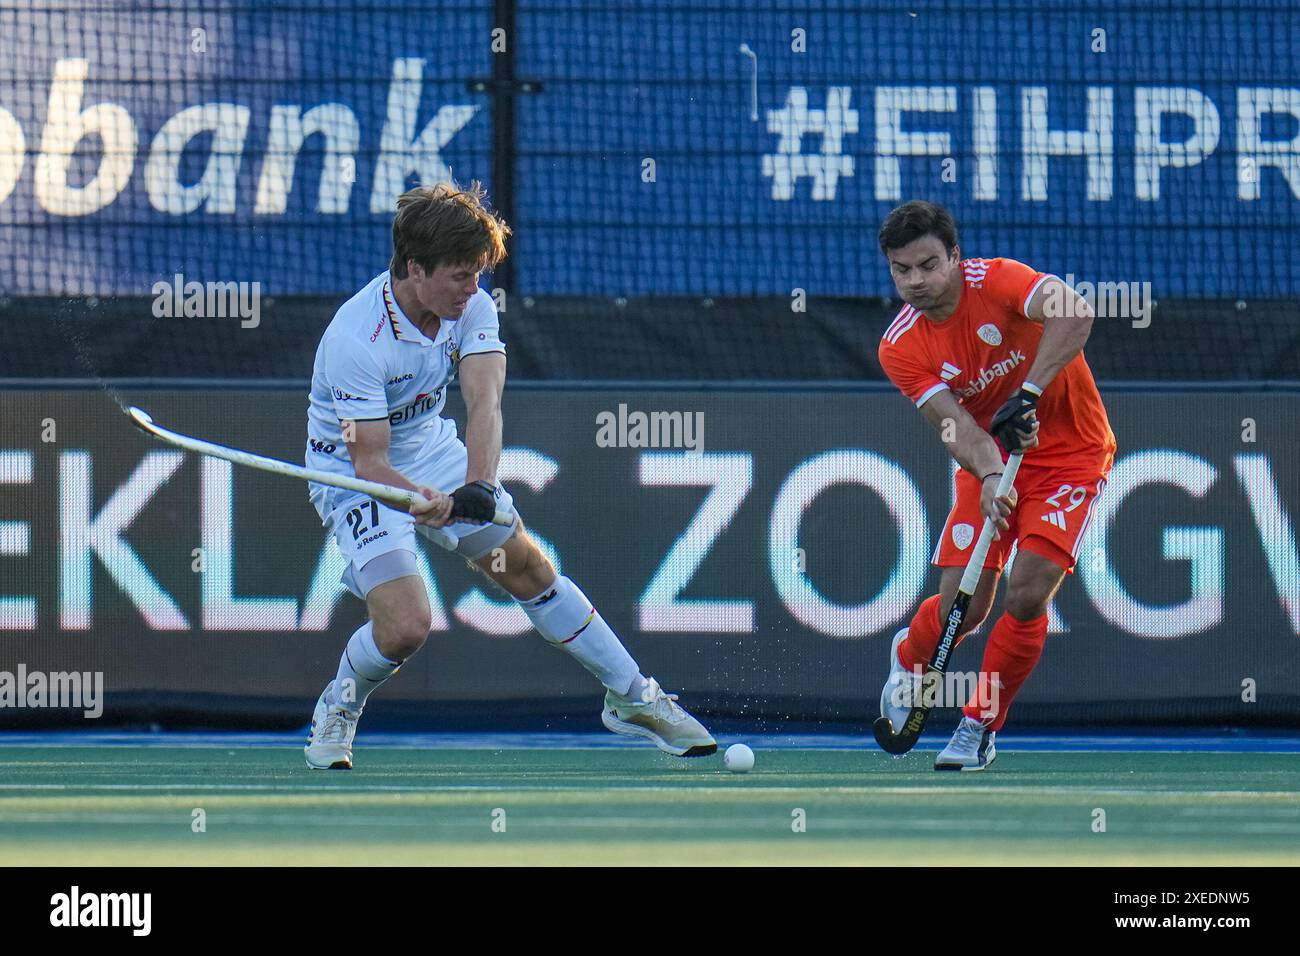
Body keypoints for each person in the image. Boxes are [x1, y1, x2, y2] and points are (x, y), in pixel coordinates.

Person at [302, 181, 715, 769]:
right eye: (460, 275)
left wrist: (478, 487)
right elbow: (370, 460)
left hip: (431, 448)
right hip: (354, 472)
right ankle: (339, 706)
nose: (473, 289)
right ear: (414, 269)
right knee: (405, 625)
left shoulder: (468, 306)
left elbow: (484, 401)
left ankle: (634, 698)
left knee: (525, 565)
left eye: (478, 274)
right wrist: (416, 498)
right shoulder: (355, 340)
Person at [875, 200, 1116, 770]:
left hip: (1073, 457)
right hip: (992, 460)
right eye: (901, 270)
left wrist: (1026, 395)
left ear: (955, 257)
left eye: (928, 265)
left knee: (1028, 593)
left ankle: (978, 724)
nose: (916, 282)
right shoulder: (899, 346)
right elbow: (953, 424)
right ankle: (910, 658)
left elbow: (1075, 314)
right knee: (971, 602)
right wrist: (987, 474)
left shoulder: (1002, 280)